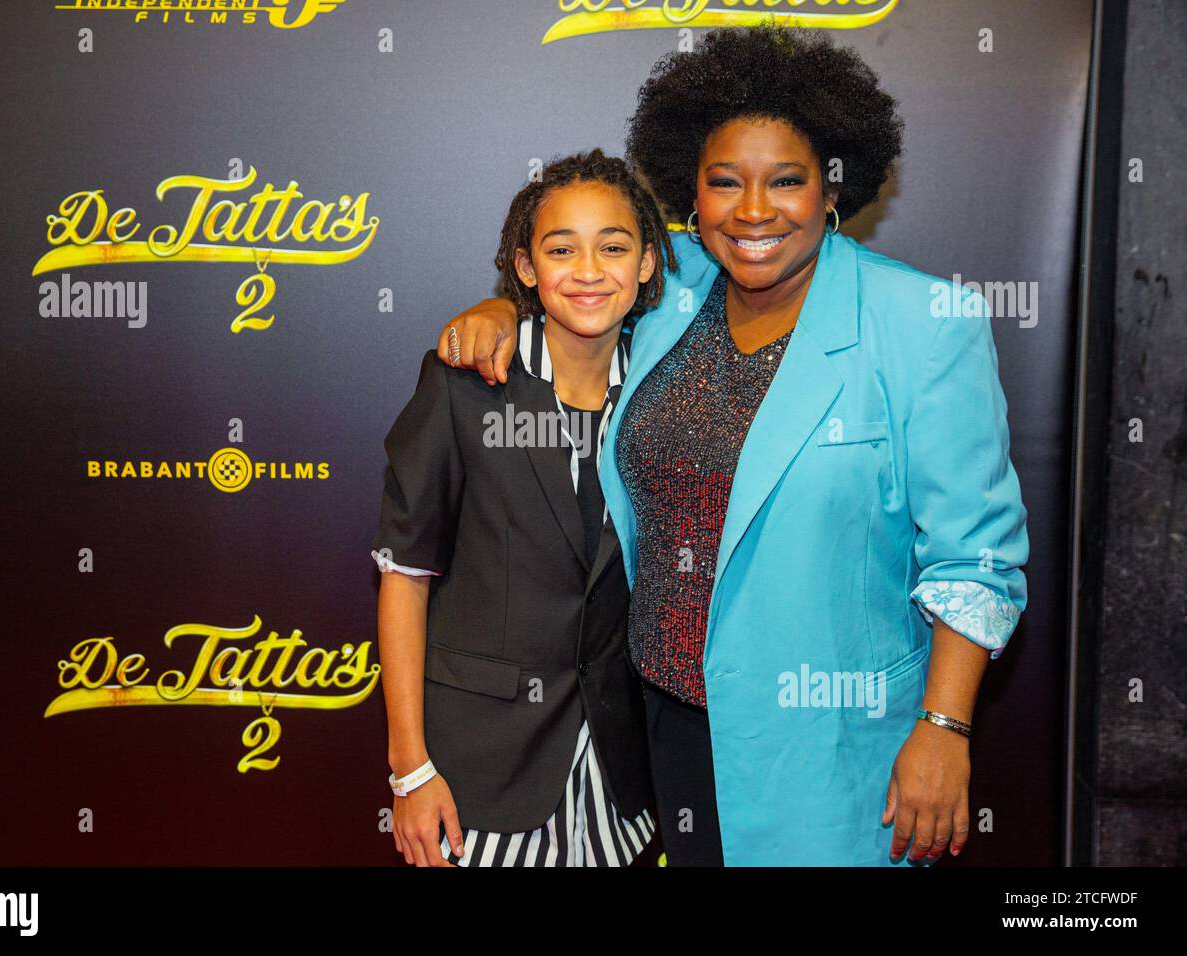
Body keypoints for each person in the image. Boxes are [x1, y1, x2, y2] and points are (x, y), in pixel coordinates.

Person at [432, 25, 1029, 866]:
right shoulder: (671, 283)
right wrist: (504, 309)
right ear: (690, 193)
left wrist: (943, 727)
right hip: (658, 722)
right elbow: (579, 270)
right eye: (724, 183)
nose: (753, 211)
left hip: (830, 744)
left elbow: (975, 560)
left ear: (831, 189)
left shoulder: (923, 323)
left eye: (786, 180)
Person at [372, 149, 677, 866]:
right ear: (527, 266)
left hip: (617, 776)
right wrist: (410, 767)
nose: (590, 269)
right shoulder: (466, 384)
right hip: (476, 771)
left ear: (647, 264)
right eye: (561, 248)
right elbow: (404, 578)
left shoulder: (664, 394)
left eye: (614, 246)